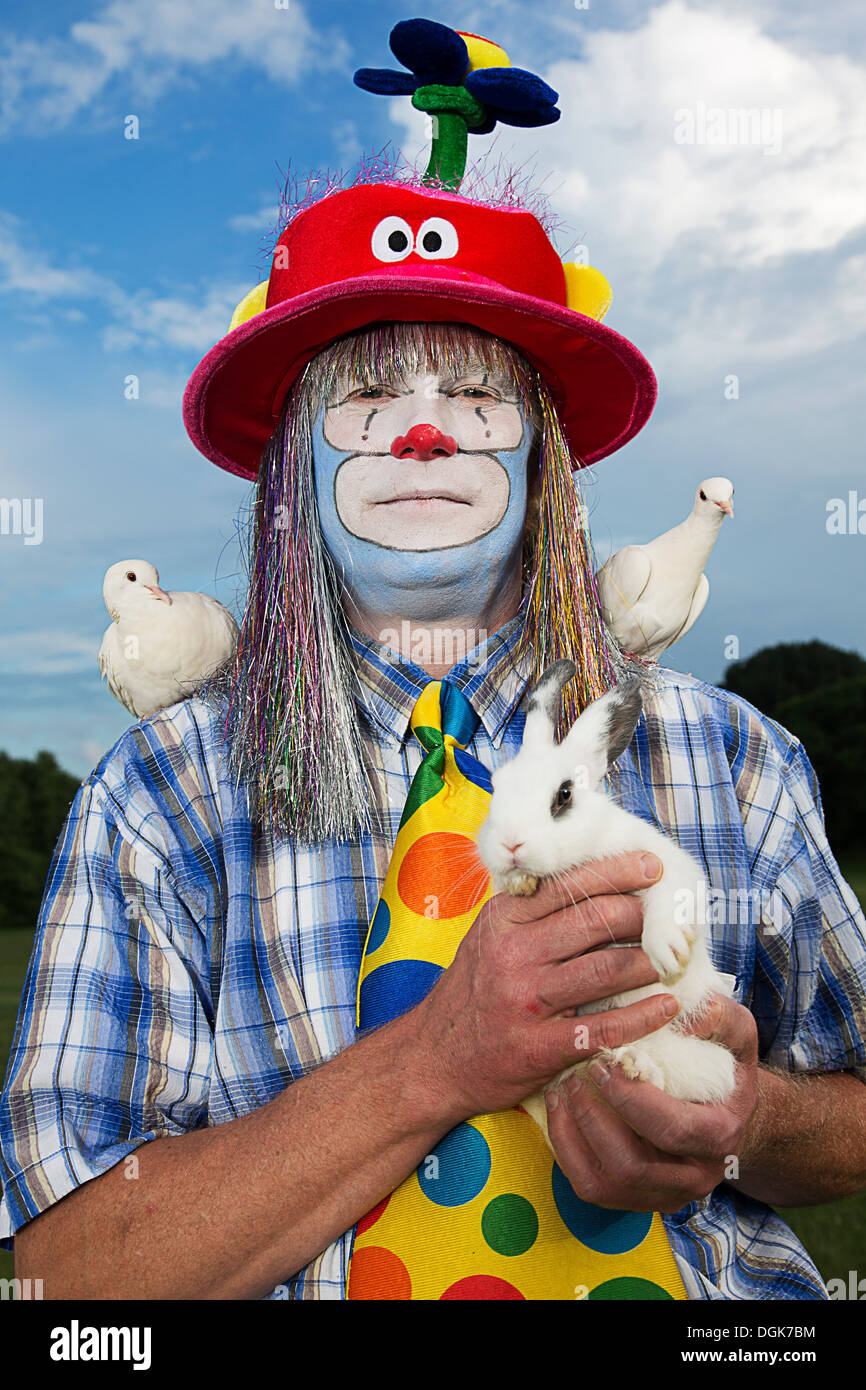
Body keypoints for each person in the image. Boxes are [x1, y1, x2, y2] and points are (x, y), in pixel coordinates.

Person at [3, 20, 866, 1301]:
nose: (418, 436)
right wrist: (436, 1061)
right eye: (365, 402)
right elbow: (60, 1286)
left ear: (545, 463)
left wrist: (747, 1116)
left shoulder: (731, 757)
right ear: (295, 470)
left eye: (473, 399)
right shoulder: (158, 797)